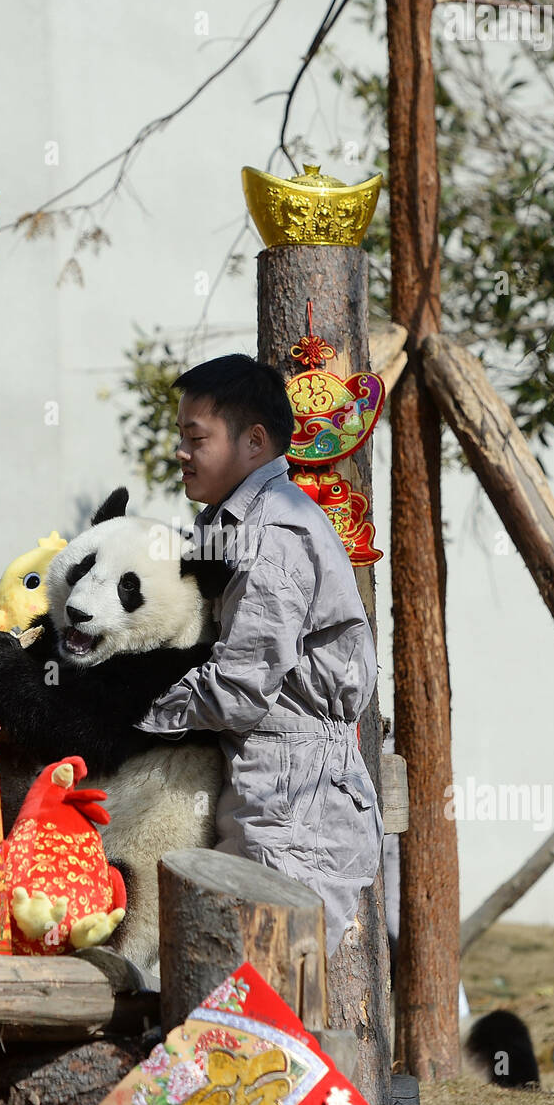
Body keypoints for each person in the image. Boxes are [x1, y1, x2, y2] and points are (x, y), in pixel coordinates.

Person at [133, 353, 383, 956]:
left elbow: (239, 690)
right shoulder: (231, 526)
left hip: (295, 811)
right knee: (241, 1014)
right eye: (180, 437)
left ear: (254, 441)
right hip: (270, 797)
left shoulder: (273, 534)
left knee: (264, 1011)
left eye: (196, 438)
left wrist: (124, 706)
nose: (181, 453)